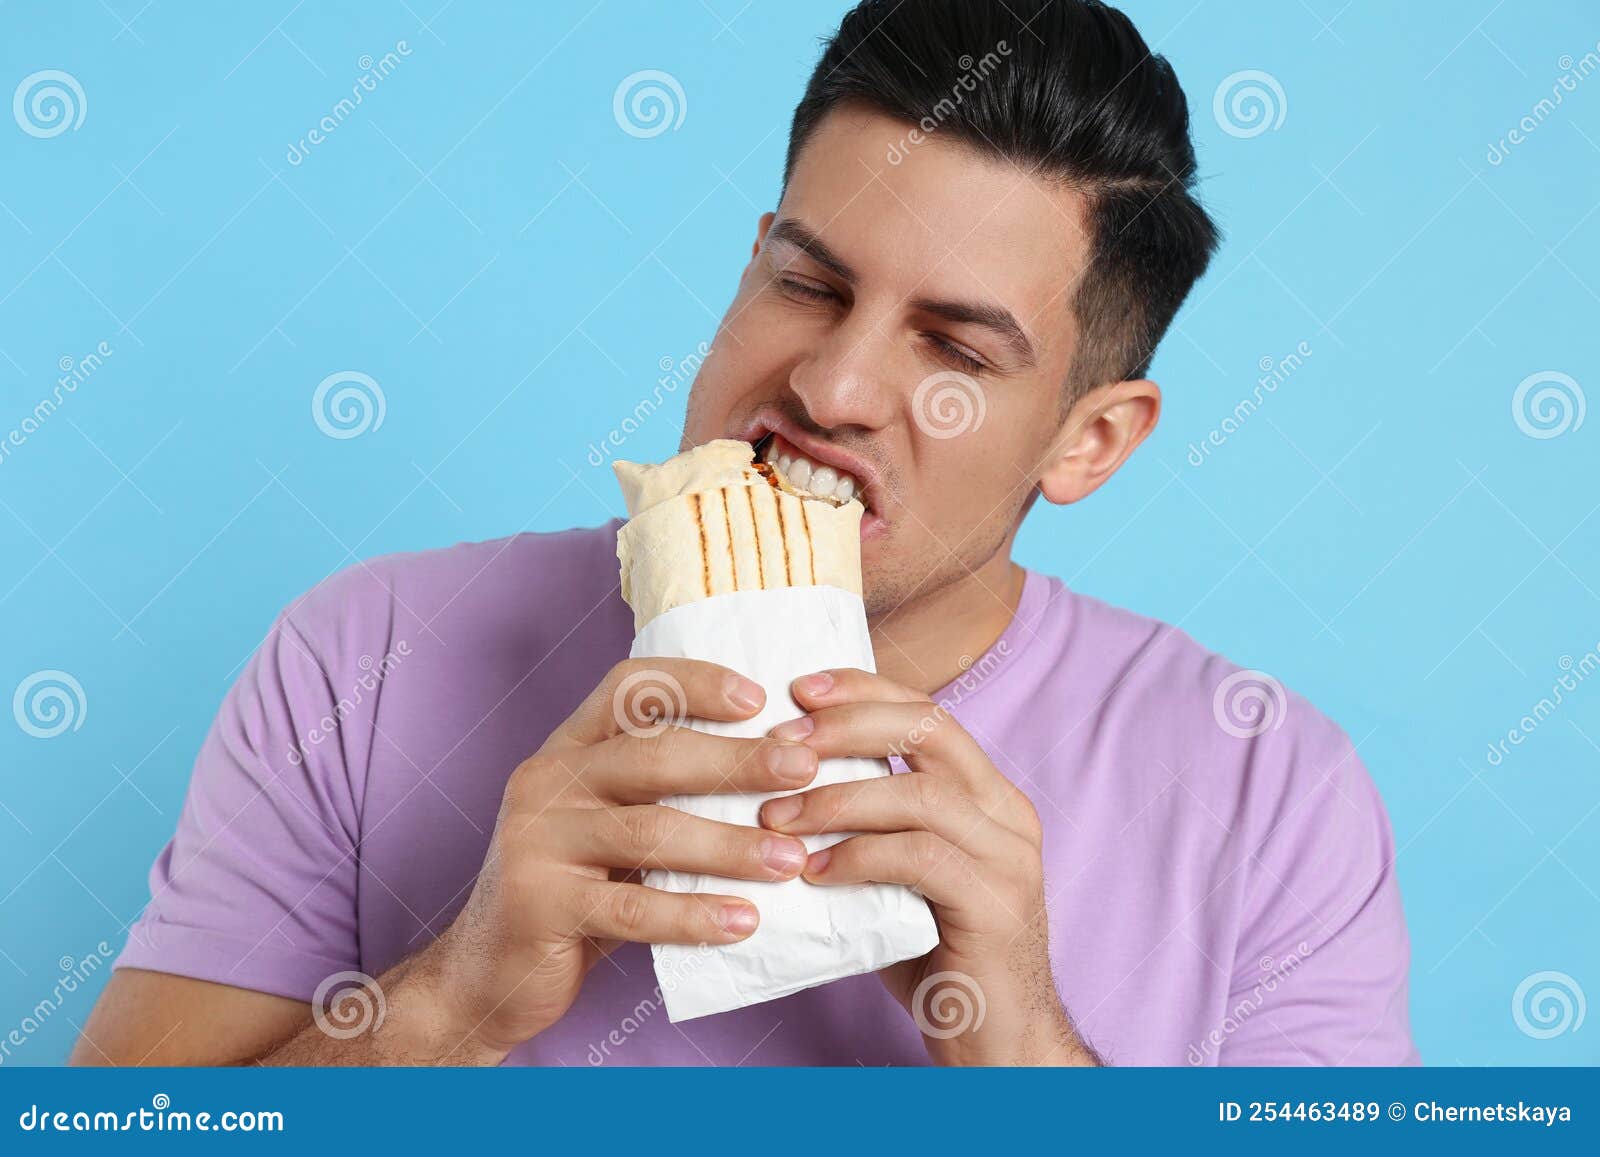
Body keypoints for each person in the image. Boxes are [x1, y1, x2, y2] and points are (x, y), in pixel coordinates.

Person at [74, 0, 1417, 1066]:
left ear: (1091, 441)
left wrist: (1017, 1044)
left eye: (955, 350)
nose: (832, 388)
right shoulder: (364, 657)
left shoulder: (1270, 791)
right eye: (808, 285)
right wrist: (448, 1005)